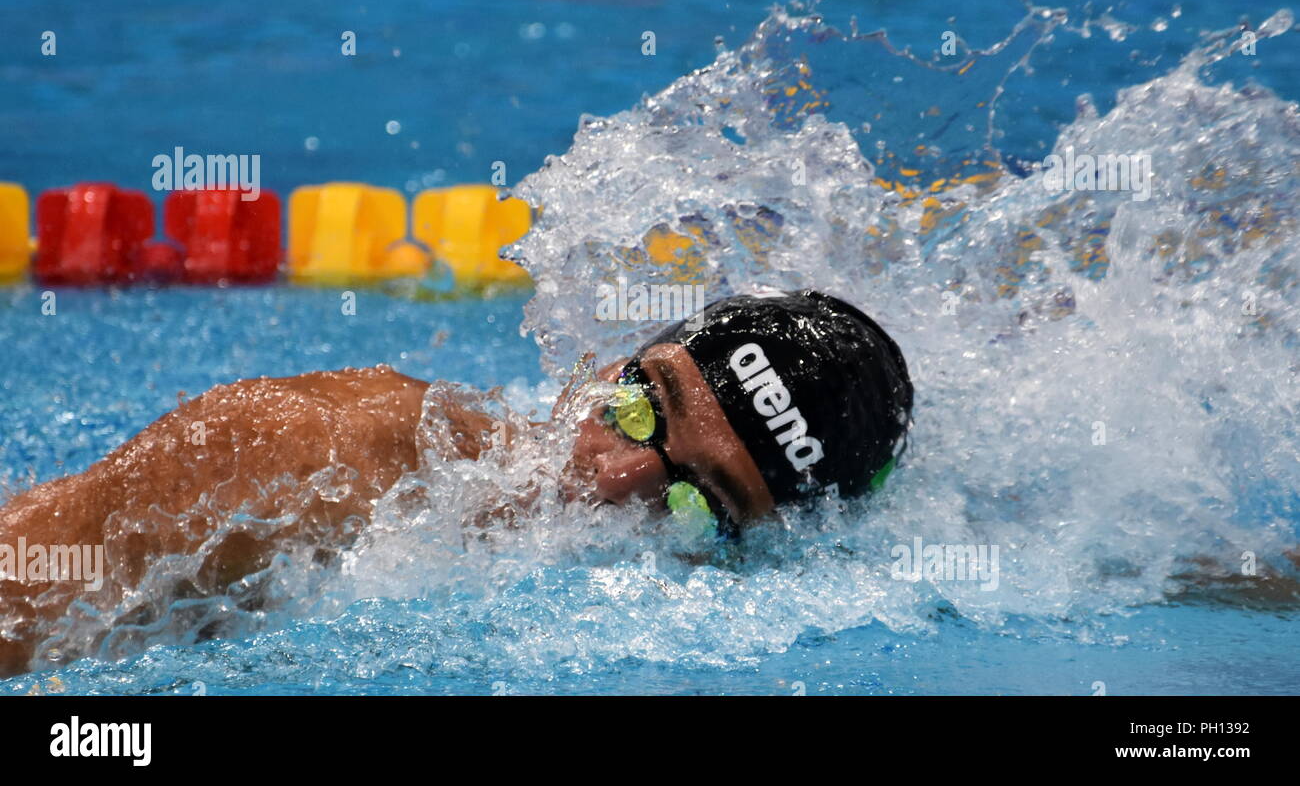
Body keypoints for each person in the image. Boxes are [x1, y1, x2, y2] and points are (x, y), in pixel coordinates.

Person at [0, 289, 913, 676]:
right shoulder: (319, 458)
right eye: (642, 405)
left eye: (698, 502)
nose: (621, 473)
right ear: (610, 361)